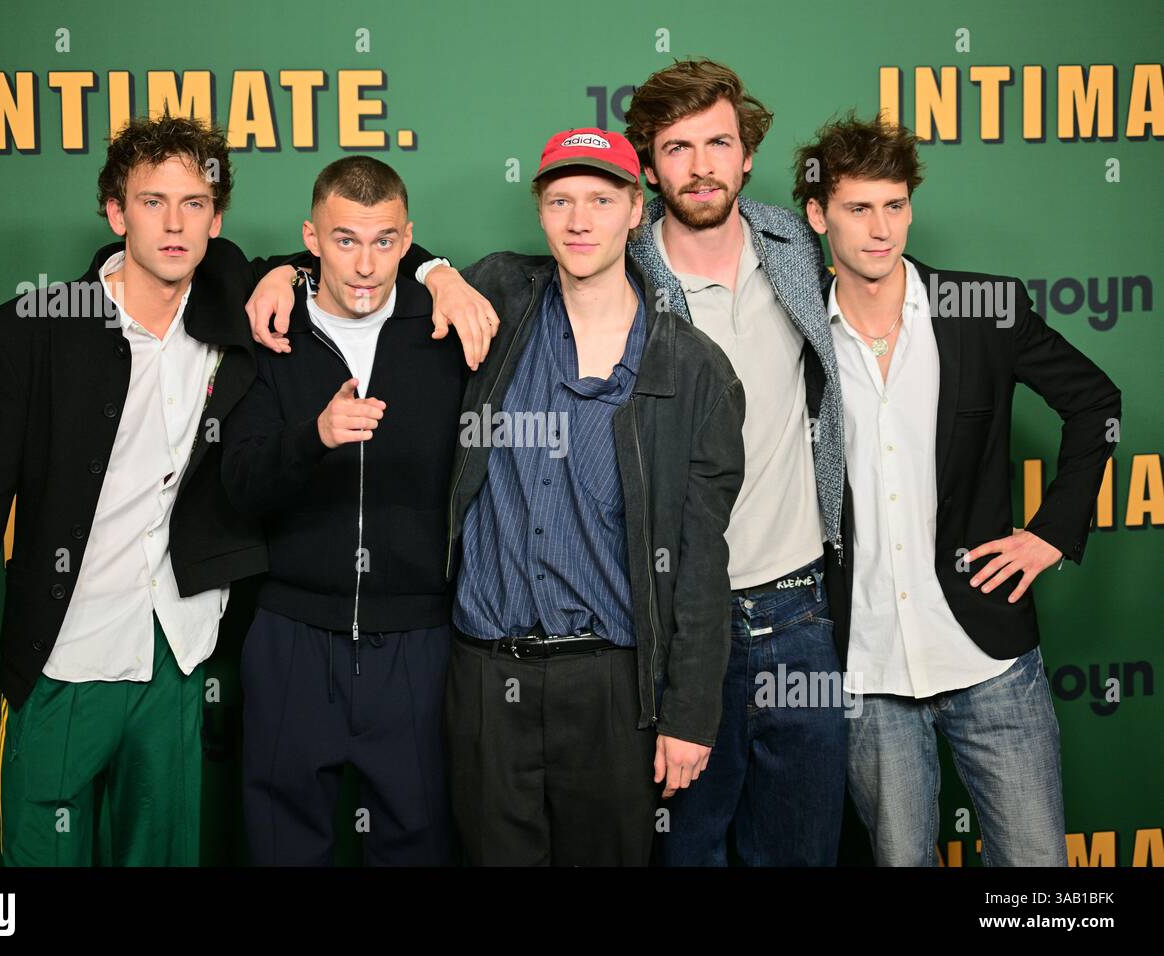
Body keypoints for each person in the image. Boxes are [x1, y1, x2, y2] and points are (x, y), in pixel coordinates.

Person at [0, 115, 268, 865]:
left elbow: (351, 253)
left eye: (195, 204)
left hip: (175, 657)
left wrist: (434, 274)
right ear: (115, 213)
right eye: (151, 202)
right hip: (63, 659)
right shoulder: (24, 335)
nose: (175, 223)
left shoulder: (233, 307)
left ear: (215, 220)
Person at [793, 113, 1121, 866]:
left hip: (991, 659)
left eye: (896, 204)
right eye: (858, 208)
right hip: (866, 668)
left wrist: (1053, 532)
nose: (882, 229)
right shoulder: (795, 333)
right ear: (817, 214)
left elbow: (1095, 403)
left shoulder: (983, 311)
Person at [441, 128, 744, 865]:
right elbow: (362, 262)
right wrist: (433, 275)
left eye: (601, 200)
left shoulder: (694, 367)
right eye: (561, 201)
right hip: (488, 675)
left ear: (636, 210)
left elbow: (702, 560)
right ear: (540, 213)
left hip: (612, 686)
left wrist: (692, 714)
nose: (579, 220)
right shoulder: (497, 300)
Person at [625, 58, 849, 866]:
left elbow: (887, 267)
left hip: (801, 613)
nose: (701, 165)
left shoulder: (792, 241)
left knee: (803, 851)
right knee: (687, 854)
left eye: (718, 142)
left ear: (746, 152)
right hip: (684, 624)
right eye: (677, 148)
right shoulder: (618, 269)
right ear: (648, 164)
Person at [222, 157, 465, 865]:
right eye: (345, 240)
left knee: (419, 847)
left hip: (419, 643)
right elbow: (237, 485)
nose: (365, 264)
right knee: (280, 848)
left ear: (410, 239)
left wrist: (438, 272)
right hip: (291, 637)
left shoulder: (446, 332)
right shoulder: (269, 334)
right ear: (311, 241)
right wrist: (314, 439)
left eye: (385, 241)